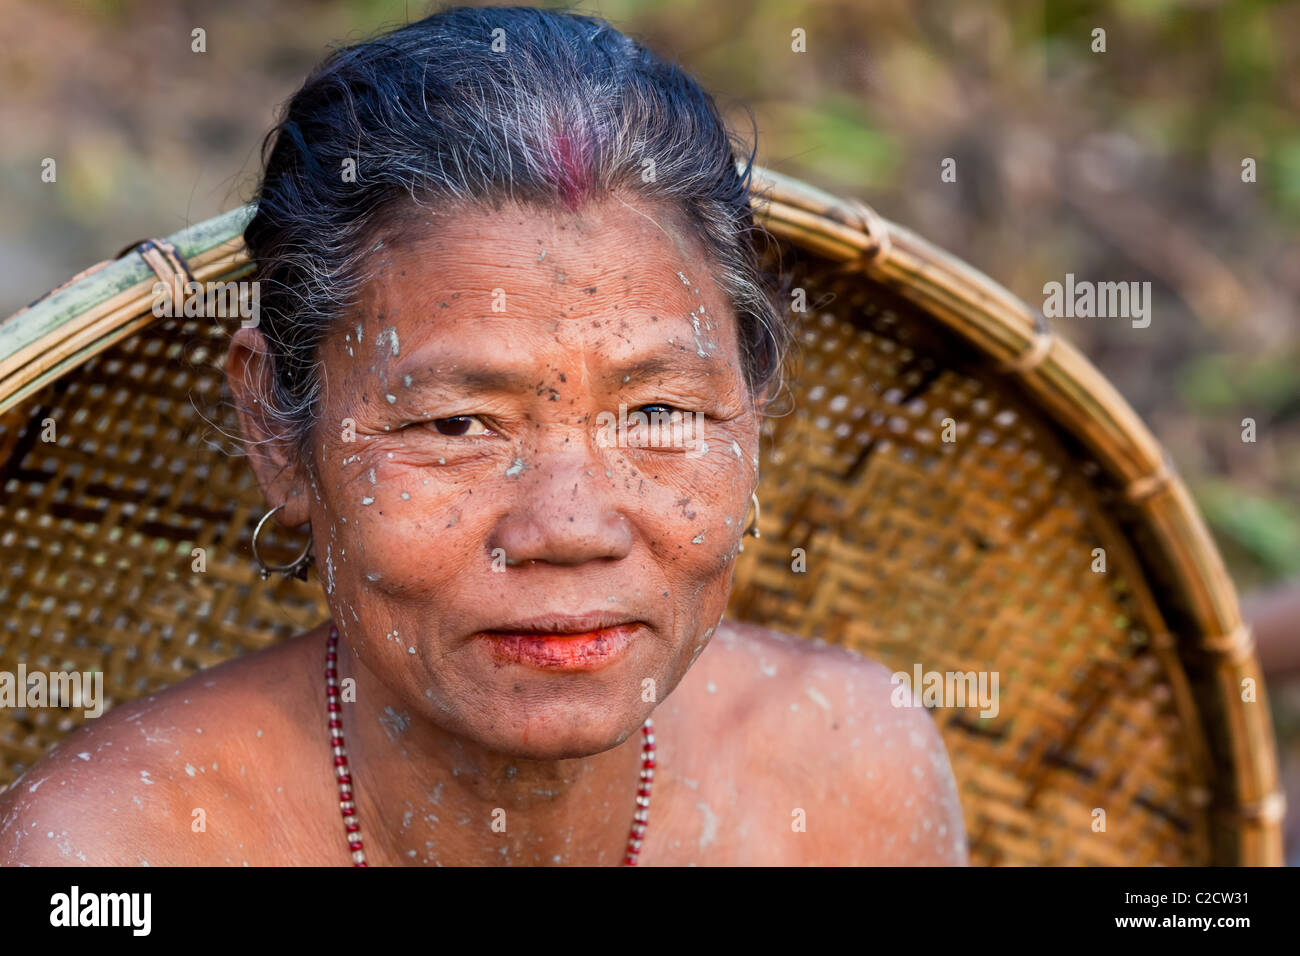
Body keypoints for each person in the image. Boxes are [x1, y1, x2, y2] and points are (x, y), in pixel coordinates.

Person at [0, 4, 966, 866]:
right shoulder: (115, 854)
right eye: (456, 422)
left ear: (750, 412)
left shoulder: (847, 774)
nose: (571, 527)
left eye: (659, 412)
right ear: (275, 430)